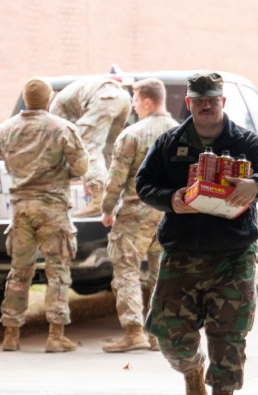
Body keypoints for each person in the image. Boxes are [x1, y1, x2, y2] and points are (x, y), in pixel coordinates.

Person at [136, 72, 258, 395]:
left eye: (212, 99)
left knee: (229, 334)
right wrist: (169, 199)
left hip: (233, 253)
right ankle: (191, 369)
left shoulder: (245, 141)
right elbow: (144, 184)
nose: (205, 105)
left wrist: (256, 186)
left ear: (222, 102)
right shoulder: (169, 143)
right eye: (198, 99)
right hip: (181, 252)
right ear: (188, 103)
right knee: (168, 332)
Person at [0, 77, 90, 353]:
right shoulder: (62, 128)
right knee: (57, 272)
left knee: (19, 271)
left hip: (21, 208)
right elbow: (81, 166)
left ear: (25, 99)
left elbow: (5, 158)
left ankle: (11, 334)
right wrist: (63, 172)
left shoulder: (6, 128)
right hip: (52, 209)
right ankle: (55, 335)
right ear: (48, 100)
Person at [100, 78, 178, 353]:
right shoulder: (181, 133)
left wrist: (107, 208)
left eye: (134, 101)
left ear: (147, 102)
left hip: (135, 213)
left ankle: (134, 331)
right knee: (163, 274)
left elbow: (116, 177)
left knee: (126, 271)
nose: (133, 107)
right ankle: (159, 334)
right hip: (171, 214)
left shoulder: (132, 134)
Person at [50, 76, 131, 217]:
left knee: (88, 147)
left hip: (103, 99)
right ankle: (111, 197)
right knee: (107, 151)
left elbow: (71, 148)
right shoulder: (68, 98)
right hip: (123, 98)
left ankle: (99, 199)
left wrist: (87, 180)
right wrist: (86, 179)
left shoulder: (54, 110)